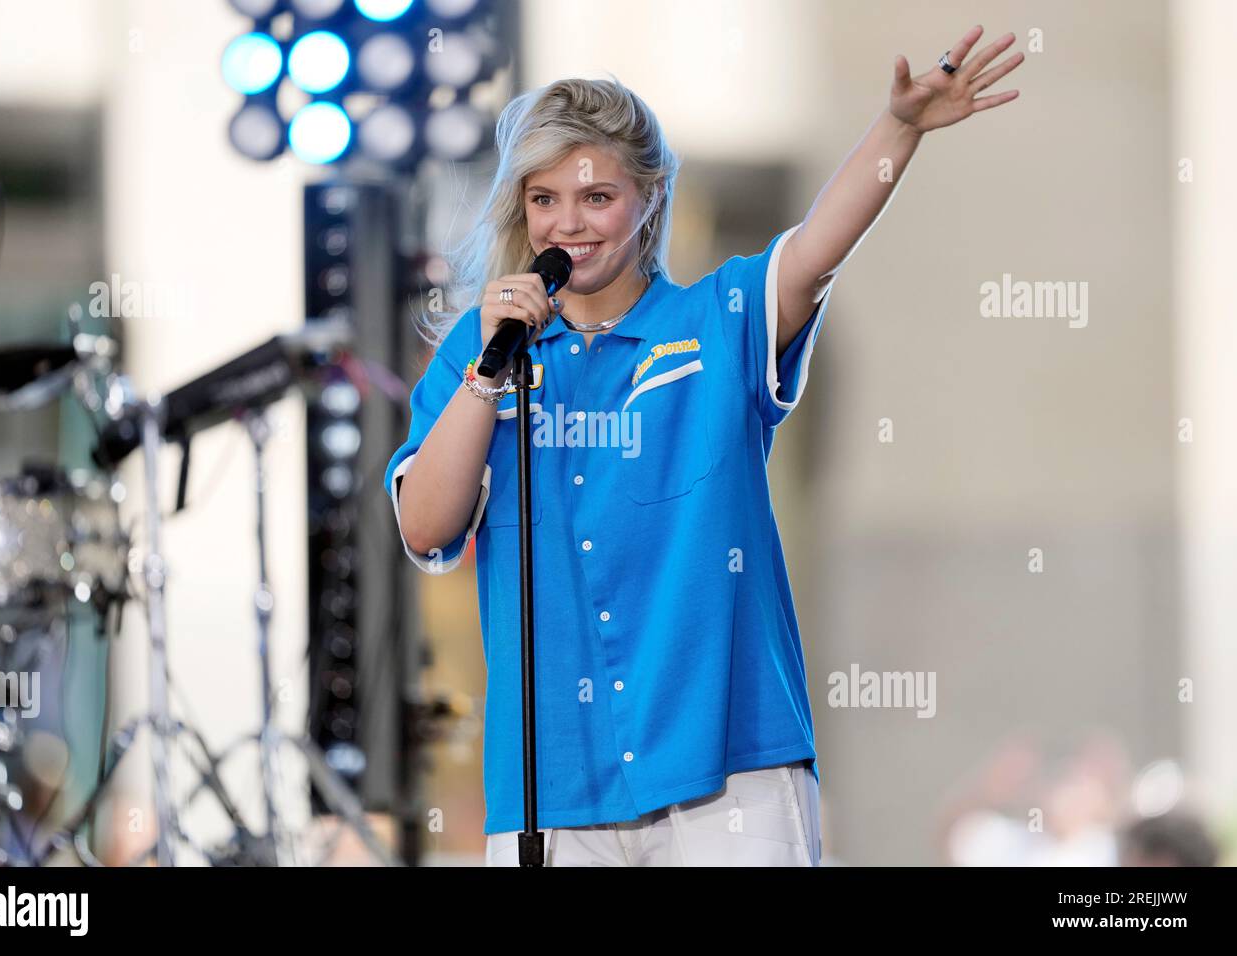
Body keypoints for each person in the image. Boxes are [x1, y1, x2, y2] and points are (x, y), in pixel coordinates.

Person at [385, 26, 1023, 866]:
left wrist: (898, 129)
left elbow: (817, 249)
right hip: (553, 784)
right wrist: (485, 372)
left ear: (649, 197)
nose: (567, 226)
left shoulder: (715, 323)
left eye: (596, 198)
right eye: (544, 201)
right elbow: (427, 532)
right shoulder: (484, 351)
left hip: (731, 769)